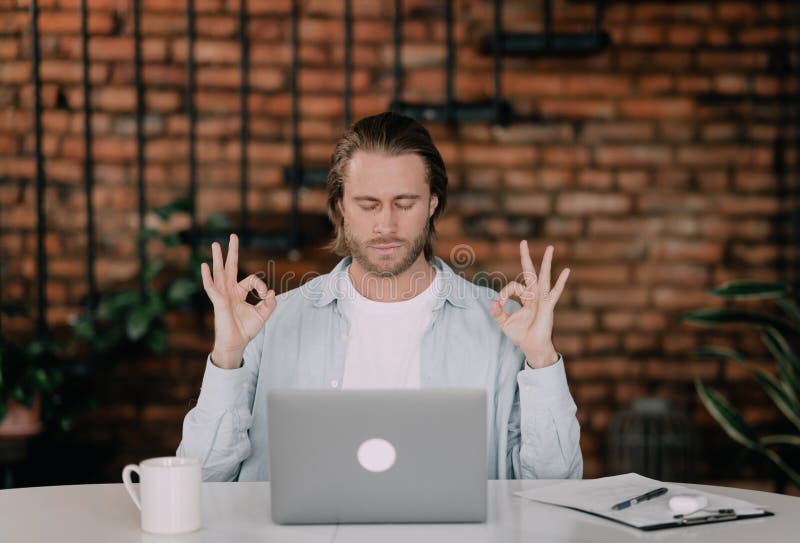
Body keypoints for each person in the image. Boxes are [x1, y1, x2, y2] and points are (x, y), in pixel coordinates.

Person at [177, 112, 582, 482]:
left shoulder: (501, 326)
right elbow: (203, 480)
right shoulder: (274, 321)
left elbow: (556, 487)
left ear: (432, 205)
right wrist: (227, 359)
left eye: (404, 203)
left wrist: (541, 359)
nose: (385, 224)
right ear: (341, 207)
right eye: (368, 204)